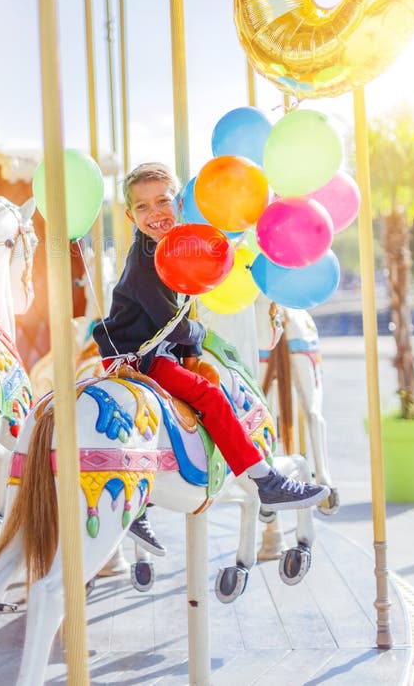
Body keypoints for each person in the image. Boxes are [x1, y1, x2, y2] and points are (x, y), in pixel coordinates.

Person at [93, 162, 330, 557]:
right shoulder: (146, 259)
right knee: (209, 396)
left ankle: (139, 508)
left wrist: (189, 352)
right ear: (129, 215)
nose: (155, 214)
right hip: (137, 356)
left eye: (163, 201)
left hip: (151, 349)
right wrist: (198, 341)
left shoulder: (177, 247)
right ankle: (263, 478)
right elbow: (174, 322)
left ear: (180, 202)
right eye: (142, 207)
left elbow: (181, 311)